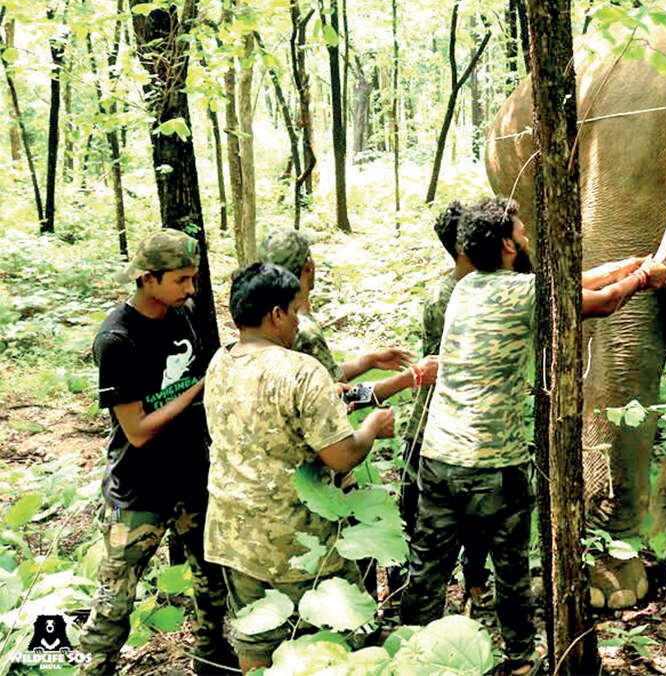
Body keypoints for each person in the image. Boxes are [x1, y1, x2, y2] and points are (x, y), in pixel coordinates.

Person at [400, 197, 666, 676]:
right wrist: (644, 280)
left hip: (438, 458)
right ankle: (521, 662)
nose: (526, 242)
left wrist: (625, 265)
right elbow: (601, 302)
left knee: (427, 569)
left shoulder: (465, 289)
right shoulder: (522, 294)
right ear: (506, 245)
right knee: (511, 572)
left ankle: (407, 656)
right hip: (492, 467)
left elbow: (568, 284)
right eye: (522, 236)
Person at [202, 262, 395, 673]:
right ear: (275, 315)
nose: (297, 320)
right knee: (345, 634)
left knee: (256, 633)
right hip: (297, 535)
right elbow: (341, 456)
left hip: (233, 532)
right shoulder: (300, 371)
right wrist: (372, 427)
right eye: (294, 310)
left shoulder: (220, 363)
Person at [79, 229, 233, 676]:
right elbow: (138, 430)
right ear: (148, 279)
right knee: (114, 603)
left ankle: (211, 655)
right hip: (140, 493)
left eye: (194, 279)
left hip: (190, 477)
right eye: (182, 280)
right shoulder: (117, 340)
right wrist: (201, 386)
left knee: (212, 581)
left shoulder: (178, 316)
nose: (191, 291)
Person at [396, 201, 488, 606]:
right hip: (432, 423)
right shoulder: (447, 297)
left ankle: (474, 581)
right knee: (416, 513)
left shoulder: (485, 287)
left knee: (479, 513)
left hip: (473, 423)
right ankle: (407, 591)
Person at [257, 230, 437, 405]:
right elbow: (339, 400)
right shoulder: (302, 329)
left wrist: (368, 361)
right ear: (309, 266)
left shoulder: (264, 319)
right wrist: (409, 378)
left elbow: (324, 378)